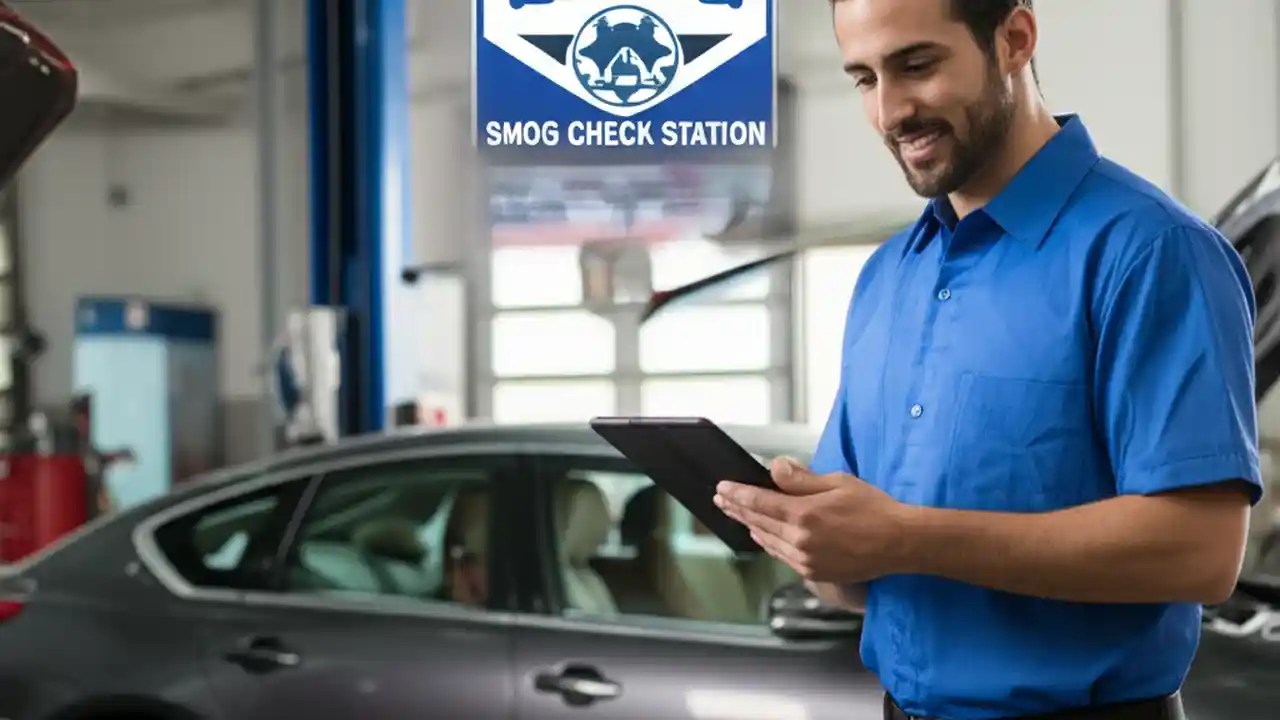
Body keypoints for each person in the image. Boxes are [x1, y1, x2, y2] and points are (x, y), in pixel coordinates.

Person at [713, 1, 1262, 719]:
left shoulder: (1151, 251)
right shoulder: (887, 276)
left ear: (1014, 38)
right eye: (863, 79)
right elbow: (858, 574)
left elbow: (1201, 552)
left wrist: (905, 537)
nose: (890, 111)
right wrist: (816, 544)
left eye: (917, 65)